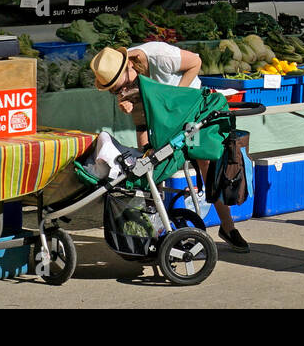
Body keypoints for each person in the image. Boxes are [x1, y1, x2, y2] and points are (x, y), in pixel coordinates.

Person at [91, 42, 250, 253]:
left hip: (191, 115)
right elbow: (141, 121)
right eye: (114, 91)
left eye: (120, 87)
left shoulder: (160, 57)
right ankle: (156, 225)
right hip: (160, 121)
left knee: (205, 161)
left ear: (128, 65)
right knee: (150, 165)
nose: (120, 91)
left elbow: (196, 62)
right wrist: (129, 105)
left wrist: (175, 97)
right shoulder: (124, 78)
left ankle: (228, 227)